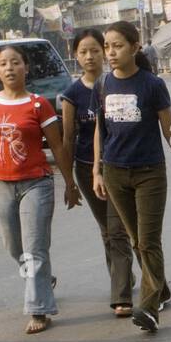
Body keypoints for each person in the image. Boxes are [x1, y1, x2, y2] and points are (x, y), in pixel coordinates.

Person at [0, 45, 79, 334]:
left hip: (36, 184)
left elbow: (57, 146)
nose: (9, 68)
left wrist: (70, 183)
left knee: (34, 249)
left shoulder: (39, 104)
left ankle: (39, 310)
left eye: (15, 62)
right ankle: (43, 280)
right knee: (13, 247)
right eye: (3, 63)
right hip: (0, 185)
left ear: (25, 68)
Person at [92, 21, 171, 334]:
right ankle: (160, 288)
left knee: (148, 241)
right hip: (114, 172)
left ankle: (149, 307)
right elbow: (101, 129)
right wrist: (97, 170)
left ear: (136, 47)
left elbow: (170, 128)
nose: (111, 52)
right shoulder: (103, 85)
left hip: (149, 172)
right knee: (136, 240)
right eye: (107, 46)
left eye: (118, 45)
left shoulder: (152, 85)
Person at [60, 29, 135, 317]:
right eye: (83, 52)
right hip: (85, 167)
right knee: (108, 229)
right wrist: (70, 181)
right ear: (76, 55)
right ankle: (122, 281)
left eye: (95, 50)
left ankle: (123, 287)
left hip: (119, 165)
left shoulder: (116, 83)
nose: (90, 57)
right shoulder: (72, 93)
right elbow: (67, 139)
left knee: (121, 228)